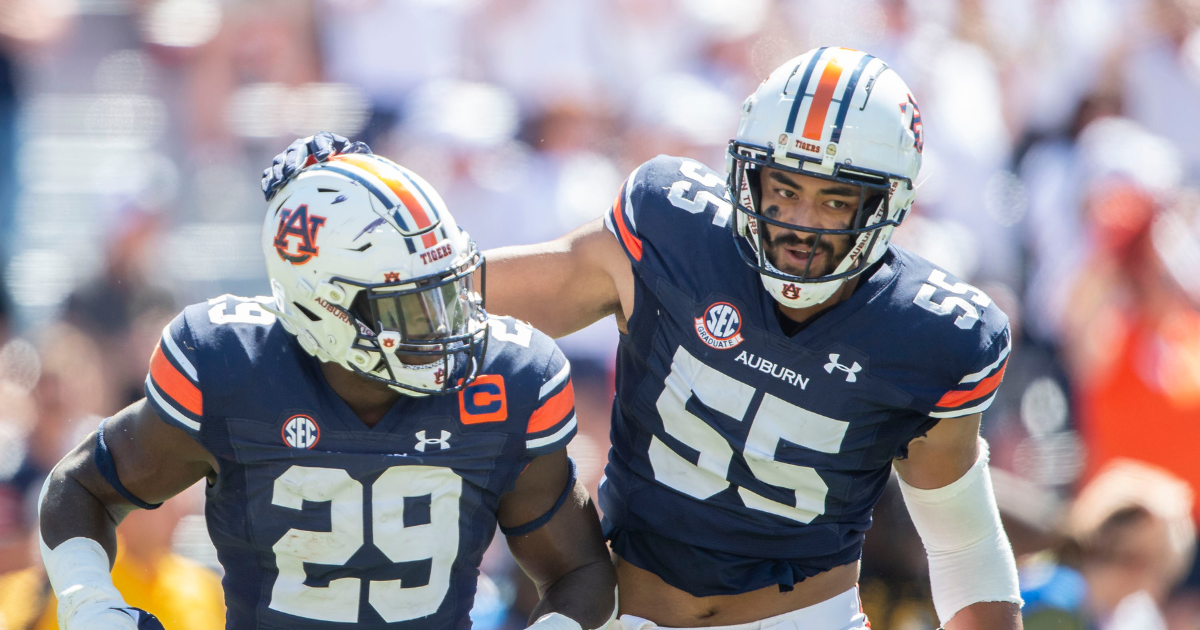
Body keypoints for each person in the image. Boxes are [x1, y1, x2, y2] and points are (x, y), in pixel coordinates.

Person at [266, 47, 1023, 630]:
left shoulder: (931, 336)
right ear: (746, 176)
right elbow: (471, 300)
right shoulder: (674, 232)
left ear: (887, 205)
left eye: (834, 201)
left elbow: (961, 545)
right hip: (629, 612)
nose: (799, 223)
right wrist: (335, 275)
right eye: (784, 188)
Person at [39, 153, 617, 630]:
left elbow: (580, 571)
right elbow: (81, 488)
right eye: (412, 306)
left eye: (446, 294)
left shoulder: (508, 376)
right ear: (325, 308)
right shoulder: (233, 367)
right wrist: (93, 607)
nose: (445, 327)